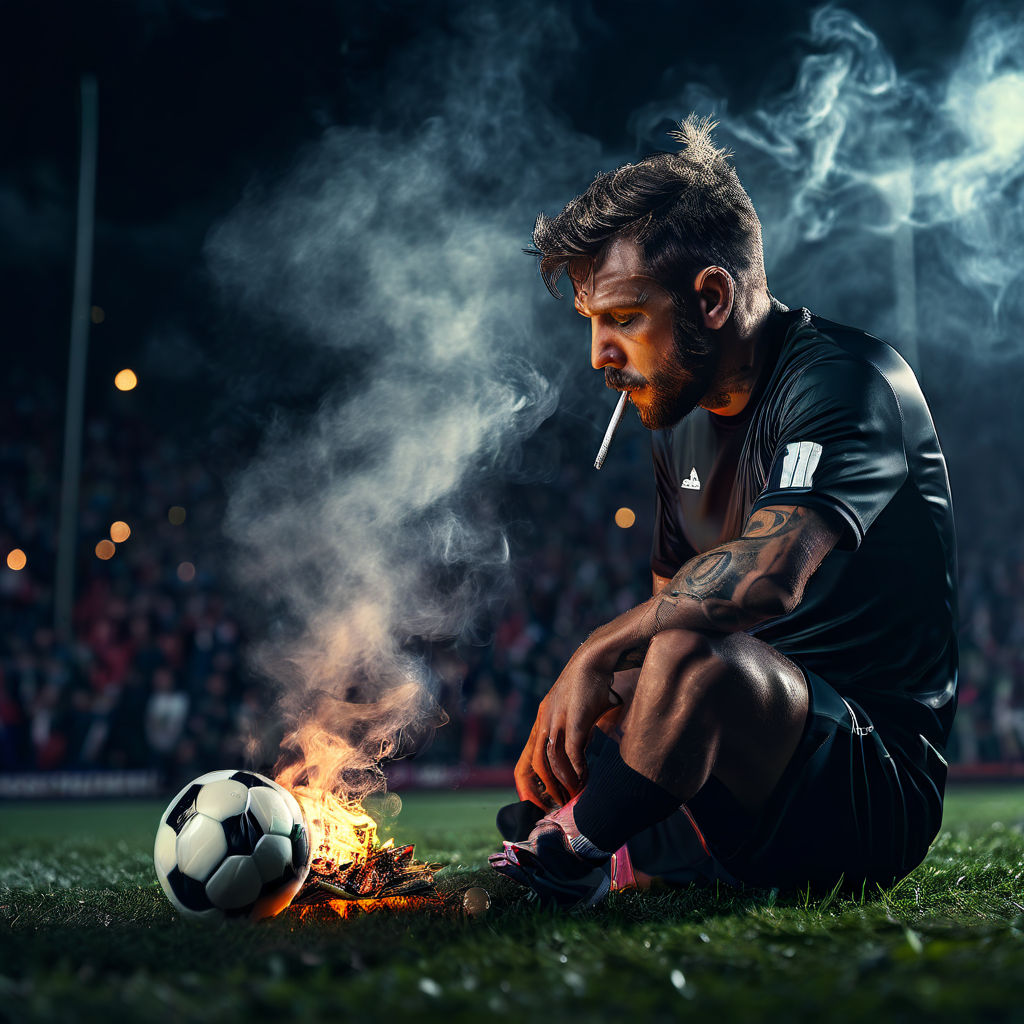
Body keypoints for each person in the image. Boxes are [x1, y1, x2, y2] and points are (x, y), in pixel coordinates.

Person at [490, 116, 958, 907]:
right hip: (747, 776)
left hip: (868, 788)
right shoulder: (679, 421)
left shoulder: (844, 381)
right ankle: (605, 827)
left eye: (624, 318)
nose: (600, 354)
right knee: (640, 673)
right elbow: (677, 596)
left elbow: (766, 579)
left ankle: (580, 852)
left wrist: (595, 649)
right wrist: (598, 710)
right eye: (592, 324)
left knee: (683, 656)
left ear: (710, 297)